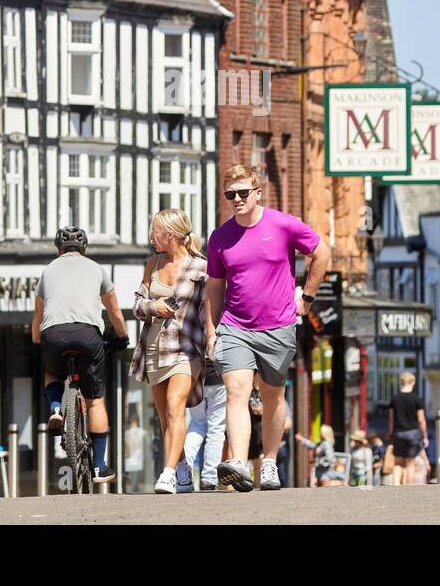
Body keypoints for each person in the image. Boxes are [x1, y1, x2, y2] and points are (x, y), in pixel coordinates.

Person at [205, 165, 331, 493]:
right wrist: (211, 330)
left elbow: (321, 253)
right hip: (235, 326)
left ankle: (270, 460)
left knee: (274, 394)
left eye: (242, 193)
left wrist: (308, 297)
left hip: (278, 325)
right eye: (230, 194)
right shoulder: (220, 237)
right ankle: (237, 462)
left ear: (258, 192)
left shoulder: (283, 225)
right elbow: (215, 287)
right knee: (237, 389)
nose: (237, 199)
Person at [33, 226, 129, 486]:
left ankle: (55, 408)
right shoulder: (97, 268)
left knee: (52, 371)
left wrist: (37, 342)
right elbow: (115, 311)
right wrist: (121, 337)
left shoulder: (48, 270)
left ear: (58, 249)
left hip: (53, 333)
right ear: (84, 249)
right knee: (96, 400)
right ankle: (99, 466)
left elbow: (38, 315)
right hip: (88, 335)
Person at [130, 208, 208, 495]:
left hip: (187, 348)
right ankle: (183, 467)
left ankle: (168, 473)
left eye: (156, 232)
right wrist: (154, 306)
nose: (152, 236)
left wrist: (212, 340)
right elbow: (137, 304)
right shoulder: (152, 264)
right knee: (165, 417)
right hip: (154, 348)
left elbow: (208, 310)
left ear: (172, 235)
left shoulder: (201, 267)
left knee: (176, 406)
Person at [183, 364, 228, 492]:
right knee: (216, 429)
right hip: (218, 376)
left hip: (194, 376)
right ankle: (209, 478)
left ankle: (183, 471)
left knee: (197, 425)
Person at [387, 371, 428, 485]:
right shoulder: (416, 399)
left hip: (399, 433)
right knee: (410, 464)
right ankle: (409, 491)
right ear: (413, 382)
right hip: (413, 433)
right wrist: (424, 436)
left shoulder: (394, 399)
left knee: (398, 463)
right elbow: (421, 420)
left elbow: (391, 419)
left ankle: (396, 486)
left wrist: (390, 433)